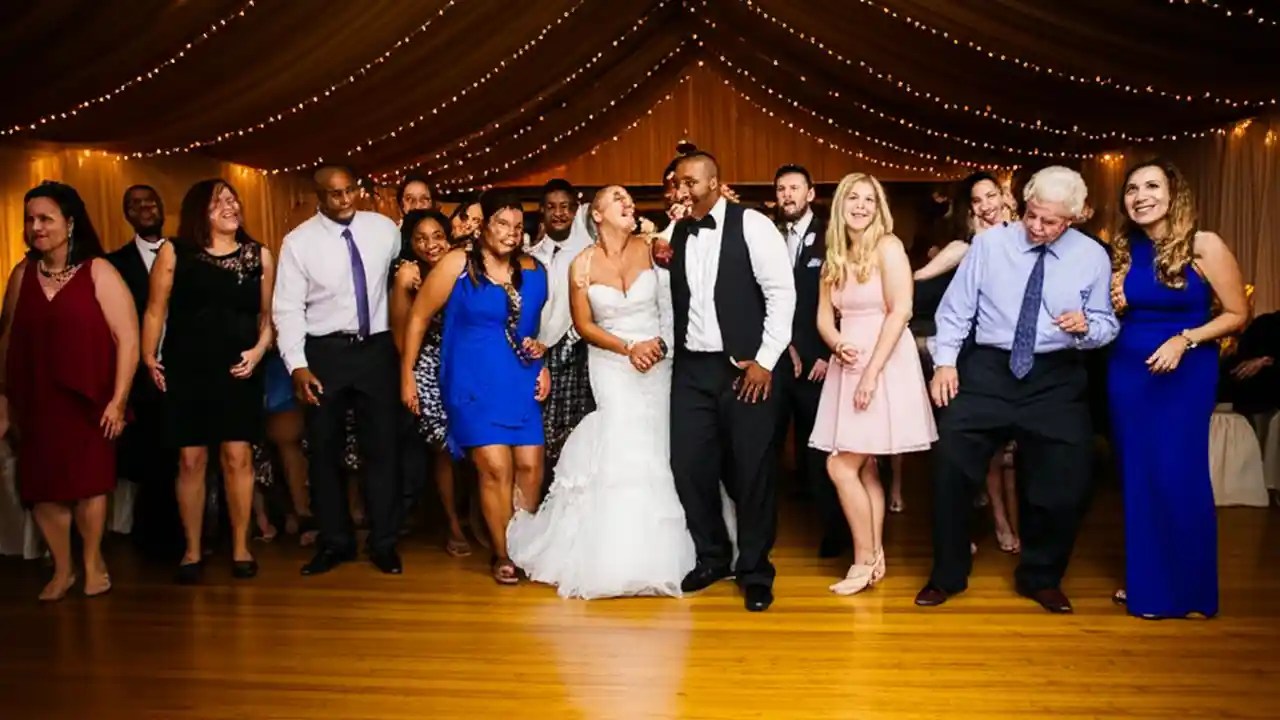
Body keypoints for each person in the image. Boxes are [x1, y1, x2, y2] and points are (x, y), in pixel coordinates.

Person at [917, 166, 1119, 613]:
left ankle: (1041, 576)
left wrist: (1087, 327)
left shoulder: (1092, 257)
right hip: (989, 369)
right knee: (950, 461)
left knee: (1066, 479)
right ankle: (947, 574)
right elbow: (955, 311)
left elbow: (1106, 323)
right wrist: (945, 363)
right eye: (1031, 215)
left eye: (1050, 221)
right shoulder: (989, 246)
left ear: (1074, 217)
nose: (1037, 227)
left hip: (1055, 375)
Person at [508, 185, 695, 598]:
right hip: (612, 366)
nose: (628, 202)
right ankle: (617, 555)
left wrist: (659, 346)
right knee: (623, 445)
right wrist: (628, 348)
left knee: (660, 446)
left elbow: (673, 303)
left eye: (630, 199)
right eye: (617, 198)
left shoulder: (653, 248)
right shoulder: (582, 265)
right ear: (596, 214)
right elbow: (585, 325)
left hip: (659, 360)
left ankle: (678, 550)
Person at [1107, 158, 1247, 619]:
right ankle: (1147, 584)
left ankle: (1190, 590)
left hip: (1184, 373)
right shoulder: (1125, 249)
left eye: (1151, 186)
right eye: (1131, 189)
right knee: (1138, 477)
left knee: (1178, 475)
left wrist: (1185, 339)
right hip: (1129, 374)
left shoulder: (1203, 244)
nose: (1140, 195)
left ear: (1173, 195)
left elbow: (1235, 314)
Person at [665, 152, 796, 612]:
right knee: (689, 464)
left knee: (753, 471)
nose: (682, 189)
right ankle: (713, 556)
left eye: (691, 181)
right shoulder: (674, 230)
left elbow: (782, 294)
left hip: (746, 367)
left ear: (716, 183)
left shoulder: (753, 225)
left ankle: (756, 570)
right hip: (693, 369)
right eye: (677, 182)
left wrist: (765, 360)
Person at [401, 192, 550, 585]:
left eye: (518, 227)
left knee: (531, 467)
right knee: (495, 468)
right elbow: (417, 317)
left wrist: (543, 357)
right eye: (502, 224)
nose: (510, 233)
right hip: (471, 381)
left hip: (519, 377)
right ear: (484, 226)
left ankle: (525, 546)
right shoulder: (458, 264)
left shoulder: (534, 270)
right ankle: (503, 554)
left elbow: (533, 331)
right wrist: (407, 374)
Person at [0, 181, 138, 601]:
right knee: (41, 488)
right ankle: (63, 569)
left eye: (46, 219)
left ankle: (93, 562)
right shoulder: (22, 275)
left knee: (89, 486)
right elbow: (7, 340)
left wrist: (118, 400)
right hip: (37, 400)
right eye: (30, 220)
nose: (36, 227)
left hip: (89, 402)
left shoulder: (98, 271)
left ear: (70, 223)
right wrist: (5, 400)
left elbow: (127, 339)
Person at [809, 173, 936, 595]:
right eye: (853, 199)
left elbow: (900, 311)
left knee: (839, 464)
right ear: (841, 205)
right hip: (849, 362)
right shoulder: (835, 255)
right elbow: (824, 318)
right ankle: (875, 556)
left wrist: (869, 374)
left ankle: (863, 560)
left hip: (883, 362)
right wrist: (836, 342)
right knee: (863, 467)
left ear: (878, 207)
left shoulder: (889, 247)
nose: (861, 206)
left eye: (869, 199)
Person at [142, 179, 276, 583]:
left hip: (239, 368)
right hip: (187, 368)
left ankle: (240, 546)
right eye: (220, 201)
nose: (230, 206)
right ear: (200, 211)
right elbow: (154, 309)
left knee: (237, 458)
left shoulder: (259, 255)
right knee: (190, 460)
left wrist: (258, 352)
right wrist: (148, 356)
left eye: (233, 200)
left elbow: (269, 318)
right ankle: (192, 550)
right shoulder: (174, 251)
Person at [273, 165, 404, 577]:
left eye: (350, 191)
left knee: (382, 449)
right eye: (335, 194)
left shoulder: (385, 230)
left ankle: (383, 543)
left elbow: (402, 281)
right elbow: (288, 307)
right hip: (324, 352)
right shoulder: (298, 243)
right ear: (319, 197)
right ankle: (336, 543)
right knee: (323, 451)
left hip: (378, 349)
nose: (345, 200)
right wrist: (297, 364)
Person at [107, 184, 182, 561]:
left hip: (187, 368)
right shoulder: (113, 264)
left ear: (162, 207)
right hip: (142, 374)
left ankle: (196, 534)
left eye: (151, 200)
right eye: (134, 204)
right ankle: (155, 539)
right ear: (126, 215)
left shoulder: (188, 253)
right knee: (154, 460)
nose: (145, 207)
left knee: (189, 456)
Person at [389, 209, 467, 555]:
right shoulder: (408, 276)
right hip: (427, 365)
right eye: (420, 238)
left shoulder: (465, 270)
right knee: (443, 449)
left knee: (478, 445)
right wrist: (403, 291)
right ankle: (452, 523)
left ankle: (477, 517)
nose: (430, 244)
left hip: (467, 364)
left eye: (437, 236)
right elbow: (400, 339)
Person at [771, 165, 840, 556]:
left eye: (794, 188)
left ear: (810, 194)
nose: (787, 195)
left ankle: (834, 531)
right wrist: (787, 347)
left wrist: (830, 352)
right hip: (780, 359)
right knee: (768, 447)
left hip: (821, 362)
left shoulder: (832, 237)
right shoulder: (768, 234)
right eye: (781, 189)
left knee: (822, 452)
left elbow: (845, 297)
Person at [527, 180, 596, 474]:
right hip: (536, 354)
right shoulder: (531, 254)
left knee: (573, 431)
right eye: (551, 207)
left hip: (578, 352)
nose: (558, 214)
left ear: (575, 210)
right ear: (542, 211)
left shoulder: (590, 253)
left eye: (565, 207)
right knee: (538, 432)